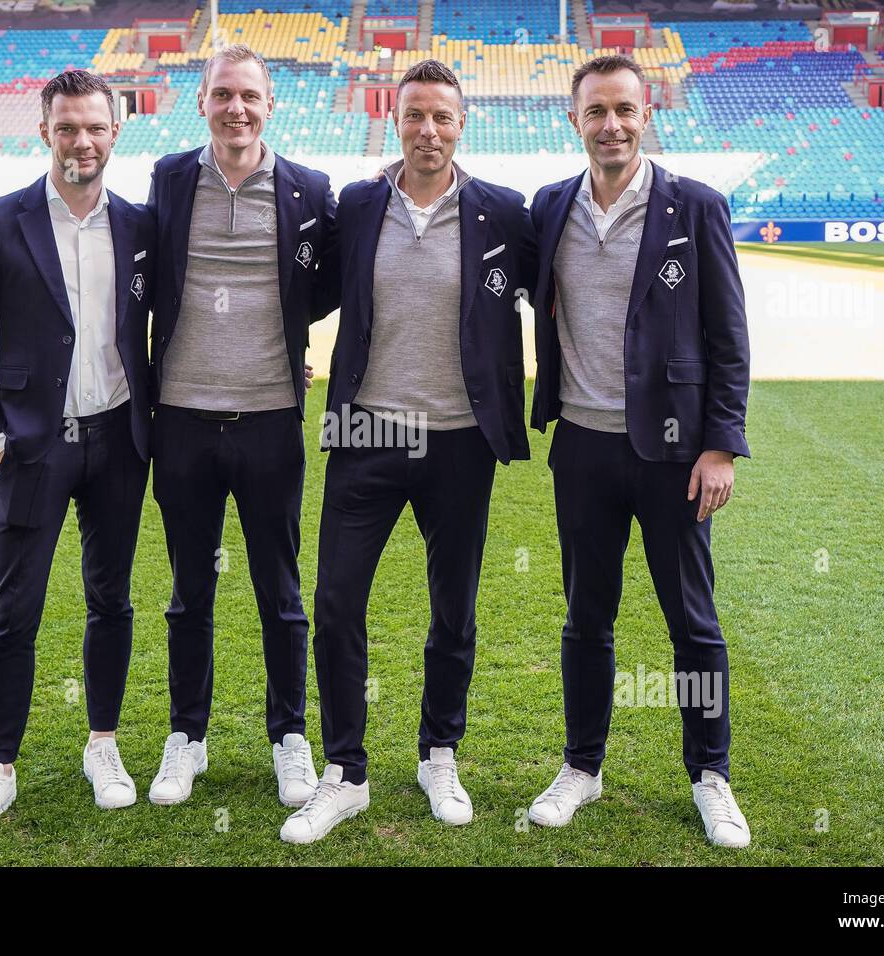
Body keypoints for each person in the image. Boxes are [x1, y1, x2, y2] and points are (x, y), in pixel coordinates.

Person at [280, 59, 535, 844]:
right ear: (395, 119)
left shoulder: (504, 212)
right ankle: (345, 772)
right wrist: (287, 359)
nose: (429, 130)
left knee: (452, 608)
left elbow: (563, 297)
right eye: (415, 115)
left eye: (443, 118)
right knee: (335, 603)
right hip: (368, 433)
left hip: (462, 440)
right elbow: (297, 290)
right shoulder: (356, 206)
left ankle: (438, 753)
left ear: (464, 124)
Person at [526, 54, 753, 847]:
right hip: (582, 448)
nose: (612, 125)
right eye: (597, 112)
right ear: (575, 119)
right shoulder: (550, 206)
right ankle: (581, 767)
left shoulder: (696, 206)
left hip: (672, 455)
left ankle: (711, 776)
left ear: (647, 113)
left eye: (625, 109)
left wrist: (721, 444)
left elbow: (728, 336)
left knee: (692, 621)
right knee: (587, 617)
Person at [0, 70, 155, 844]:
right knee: (14, 614)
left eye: (94, 128)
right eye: (67, 128)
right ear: (45, 132)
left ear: (114, 133)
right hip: (35, 449)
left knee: (112, 600)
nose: (82, 141)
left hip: (119, 441)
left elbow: (180, 318)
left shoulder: (140, 226)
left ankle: (102, 744)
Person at [144, 44, 337, 809]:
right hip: (182, 420)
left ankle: (290, 736)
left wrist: (290, 347)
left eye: (249, 96)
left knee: (280, 592)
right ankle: (185, 737)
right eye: (223, 95)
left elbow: (320, 286)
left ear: (270, 104)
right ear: (202, 102)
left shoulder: (307, 189)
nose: (237, 109)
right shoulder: (168, 179)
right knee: (190, 593)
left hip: (267, 421)